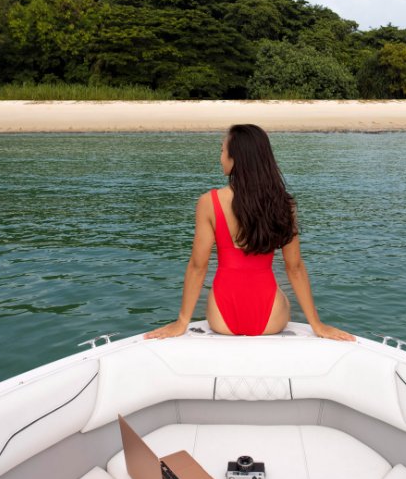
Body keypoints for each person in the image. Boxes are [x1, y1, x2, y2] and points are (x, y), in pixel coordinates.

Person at [144, 124, 356, 341]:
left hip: (221, 318)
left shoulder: (209, 202)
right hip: (271, 319)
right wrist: (317, 325)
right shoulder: (283, 203)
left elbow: (198, 266)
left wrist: (182, 321)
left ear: (236, 158)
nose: (220, 157)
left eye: (222, 150)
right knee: (282, 293)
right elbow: (295, 267)